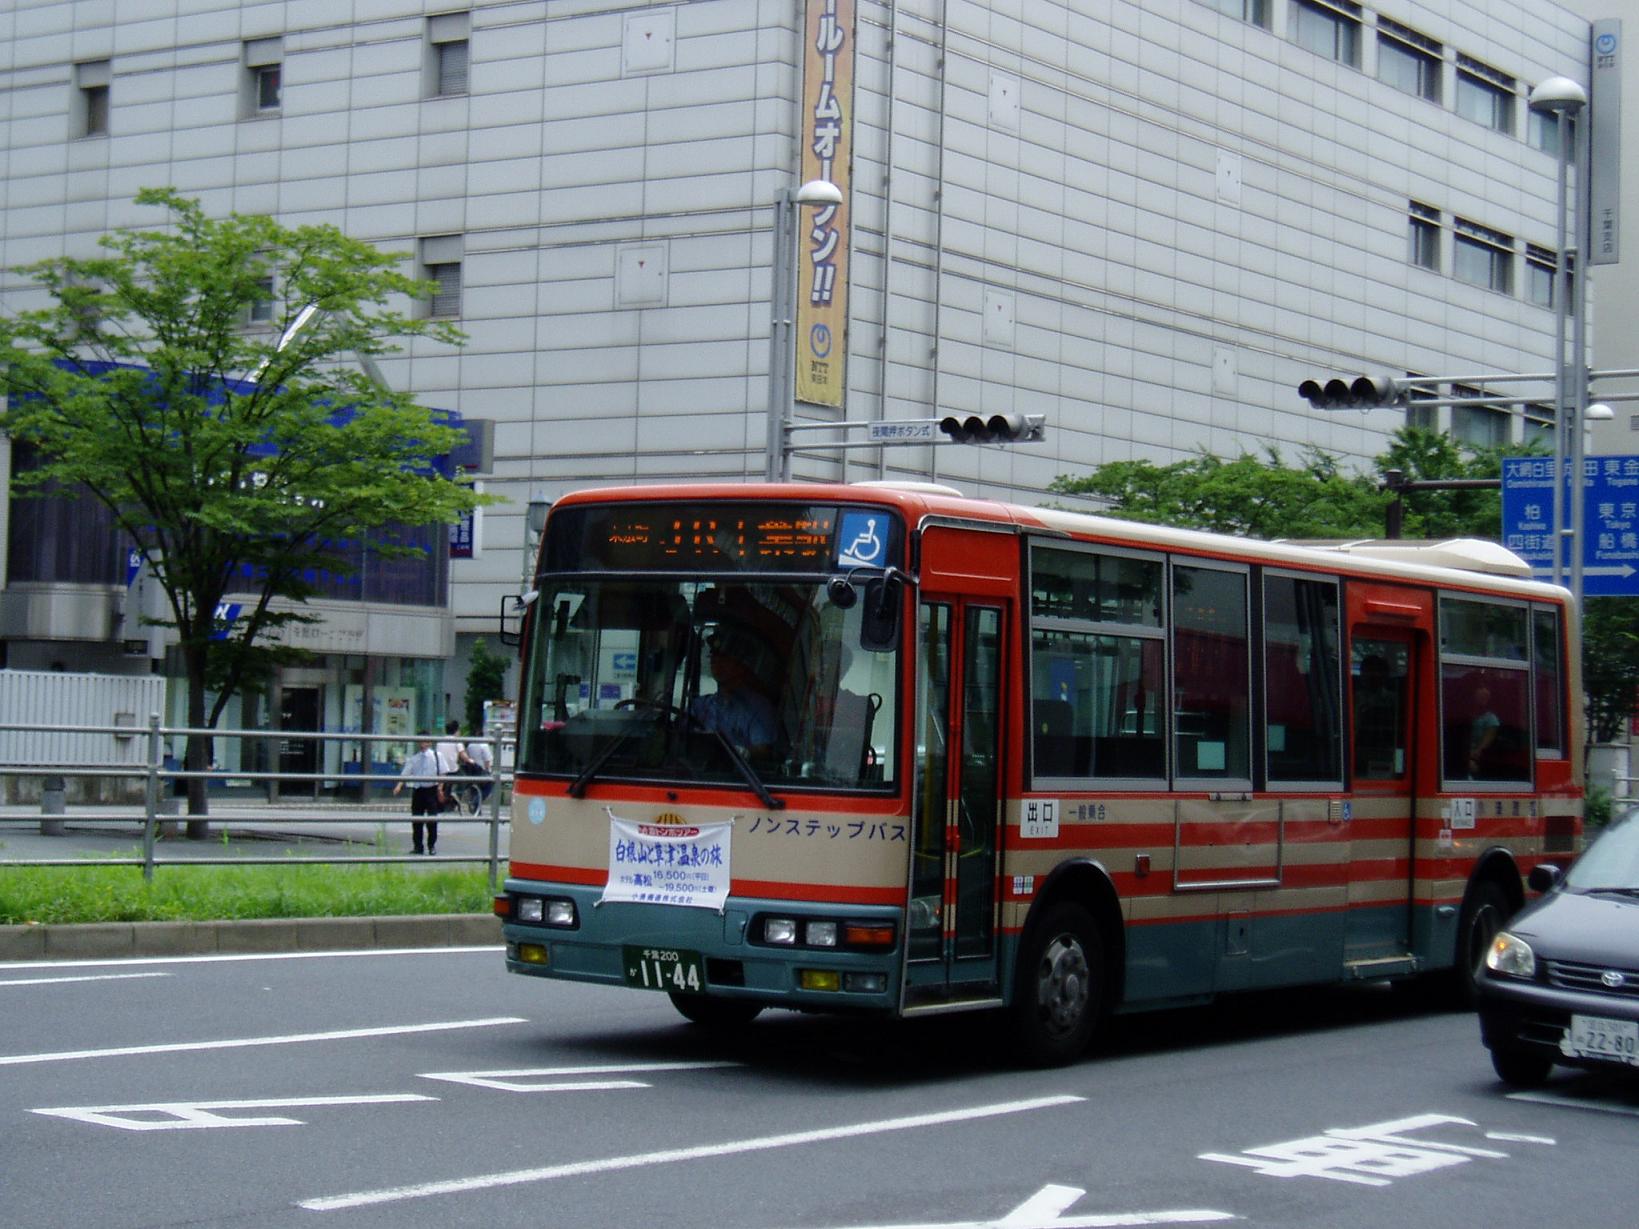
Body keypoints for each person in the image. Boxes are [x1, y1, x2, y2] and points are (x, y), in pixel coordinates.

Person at [690, 630, 778, 756]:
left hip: (737, 774)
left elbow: (762, 752)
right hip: (694, 773)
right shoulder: (700, 706)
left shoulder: (759, 708)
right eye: (714, 656)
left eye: (724, 657)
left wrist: (736, 754)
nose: (716, 661)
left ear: (742, 664)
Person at [392, 733, 443, 855]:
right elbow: (405, 773)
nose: (422, 743)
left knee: (432, 820)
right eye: (420, 741)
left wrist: (440, 788)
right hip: (418, 790)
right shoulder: (414, 758)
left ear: (430, 742)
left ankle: (431, 846)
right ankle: (418, 846)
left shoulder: (437, 756)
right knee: (416, 820)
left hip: (431, 789)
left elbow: (443, 773)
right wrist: (399, 786)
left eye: (425, 741)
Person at [435, 719, 468, 812]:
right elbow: (463, 755)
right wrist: (470, 760)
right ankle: (456, 793)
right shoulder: (457, 741)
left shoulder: (440, 741)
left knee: (442, 785)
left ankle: (444, 801)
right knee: (464, 778)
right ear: (456, 731)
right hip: (453, 770)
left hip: (441, 770)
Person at [1468, 685, 1500, 778]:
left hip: (1479, 761)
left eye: (1484, 698)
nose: (1482, 701)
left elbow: (1481, 749)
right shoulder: (1468, 716)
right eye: (1479, 697)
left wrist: (1467, 758)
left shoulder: (1491, 719)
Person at [463, 730, 495, 805]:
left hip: (472, 770)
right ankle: (475, 802)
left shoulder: (470, 745)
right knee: (488, 788)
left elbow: (468, 757)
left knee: (475, 790)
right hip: (482, 770)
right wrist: (488, 771)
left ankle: (476, 809)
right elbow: (487, 760)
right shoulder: (484, 745)